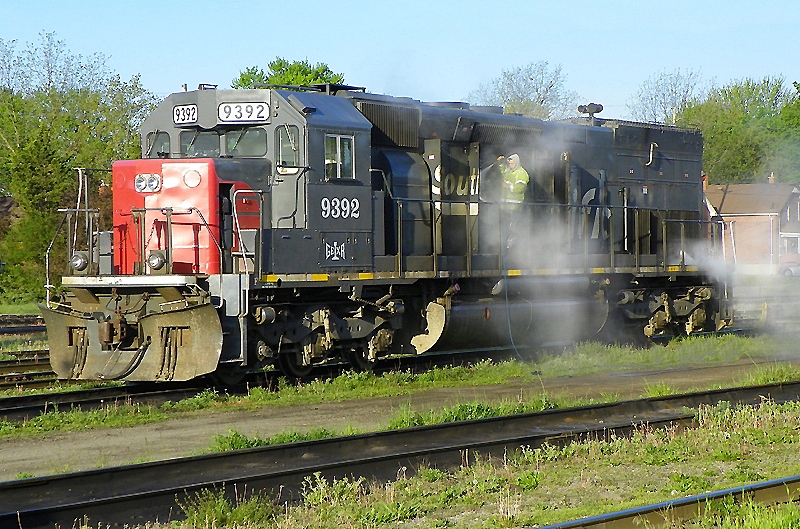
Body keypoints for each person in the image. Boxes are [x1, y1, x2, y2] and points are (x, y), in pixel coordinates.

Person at [497, 153, 529, 247]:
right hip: (505, 206)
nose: (510, 165)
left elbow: (520, 188)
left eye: (512, 164)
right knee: (505, 228)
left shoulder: (522, 173)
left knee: (513, 228)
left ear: (517, 163)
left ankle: (512, 247)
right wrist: (500, 163)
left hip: (515, 207)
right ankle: (504, 246)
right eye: (509, 164)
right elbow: (503, 172)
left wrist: (508, 186)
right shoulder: (508, 171)